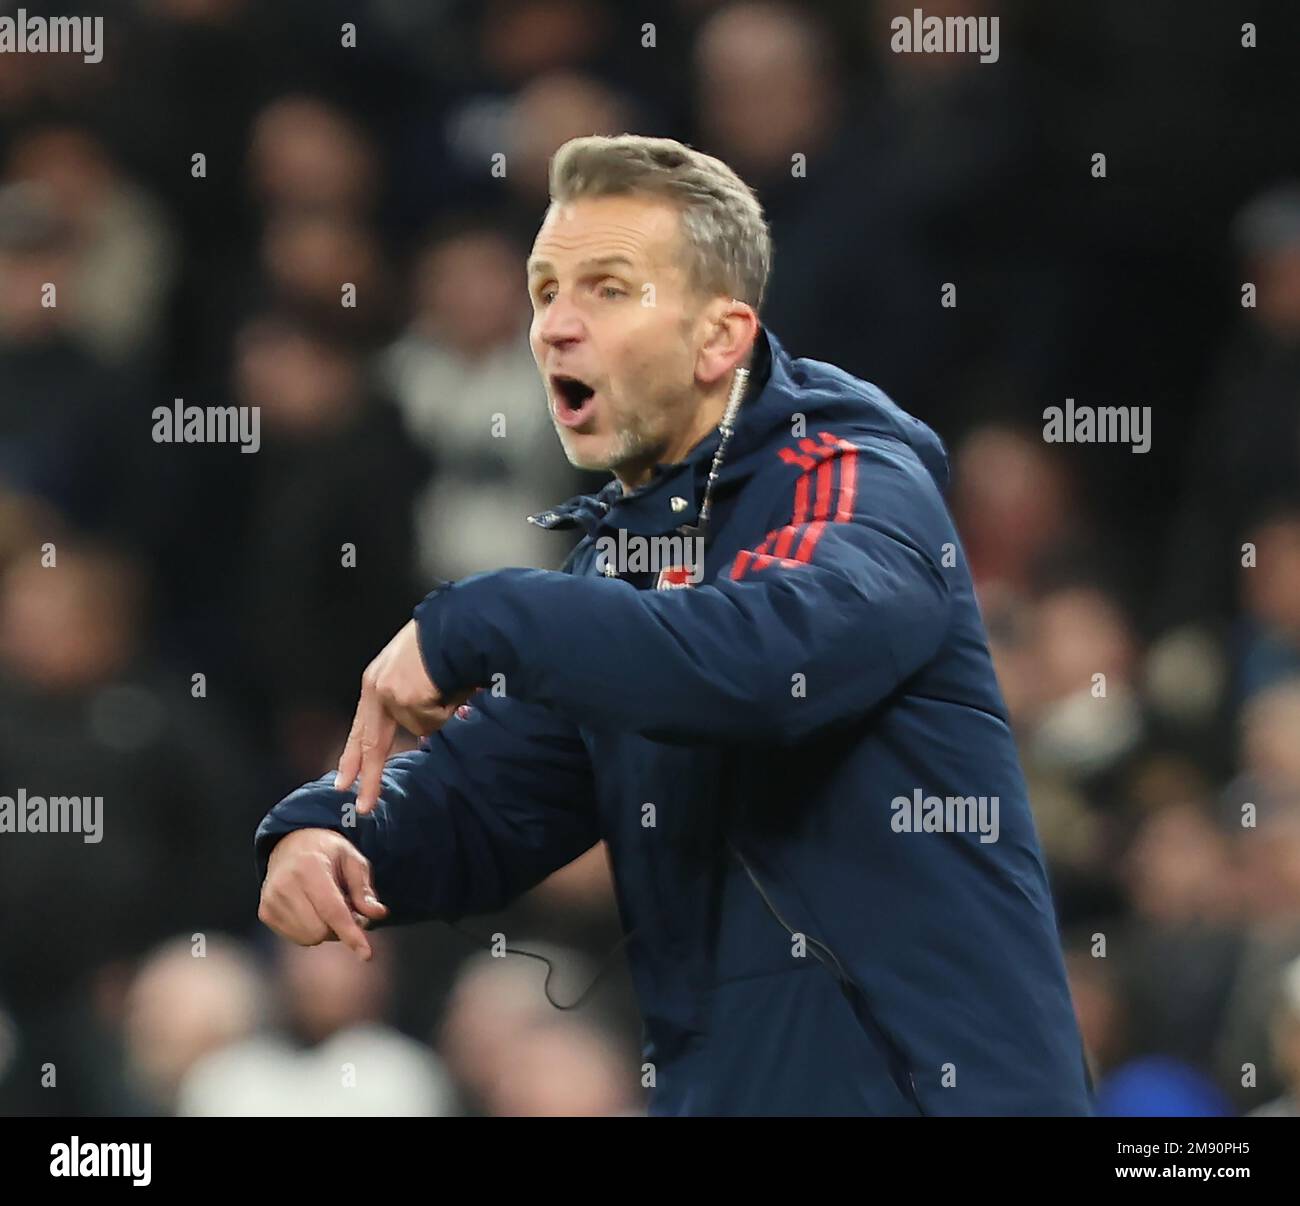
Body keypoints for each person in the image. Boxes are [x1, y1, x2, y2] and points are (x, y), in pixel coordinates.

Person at [254, 134, 1092, 1116]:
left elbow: (765, 661)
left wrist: (482, 613)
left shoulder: (854, 478)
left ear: (719, 338)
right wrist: (329, 834)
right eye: (545, 290)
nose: (554, 328)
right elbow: (489, 792)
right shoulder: (623, 569)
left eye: (607, 291)